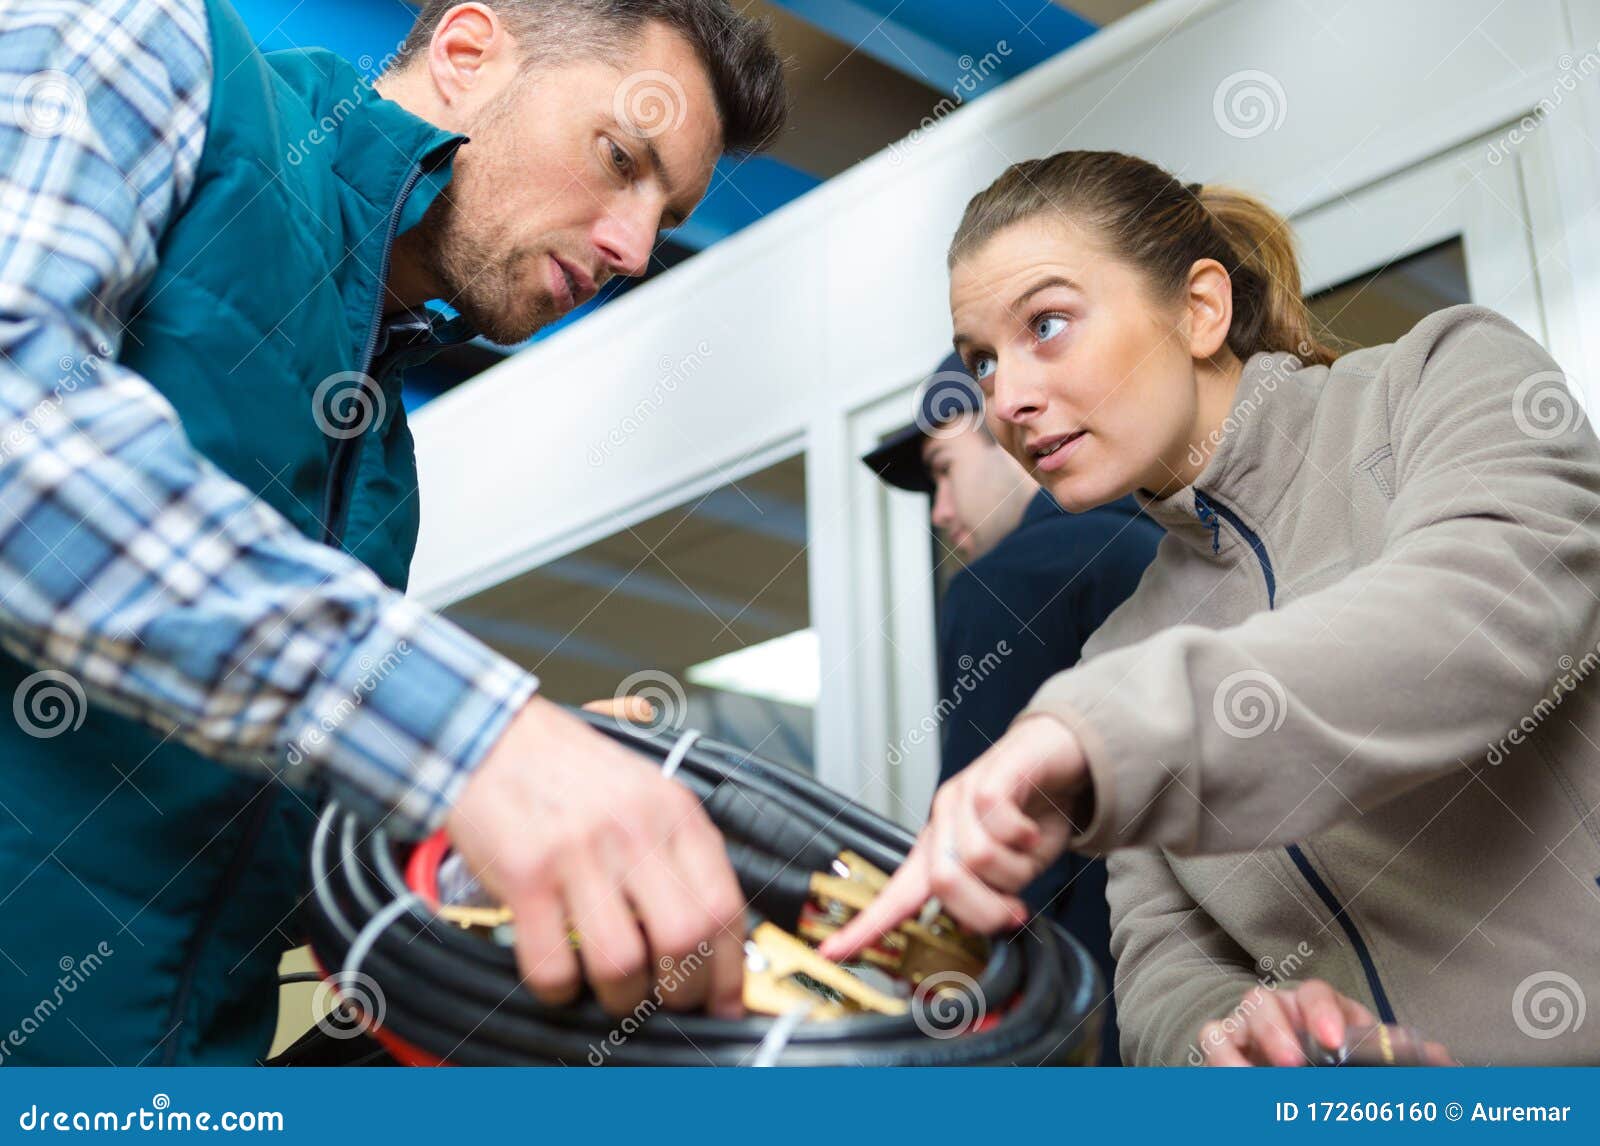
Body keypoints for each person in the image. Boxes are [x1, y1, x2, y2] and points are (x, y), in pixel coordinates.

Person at [0, 0, 786, 1063]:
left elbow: (218, 848)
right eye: (619, 158)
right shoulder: (152, 40)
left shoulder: (380, 467)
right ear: (466, 53)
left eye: (667, 212)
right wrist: (478, 737)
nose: (634, 249)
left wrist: (463, 840)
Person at [825, 150, 1600, 1066]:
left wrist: (1103, 730)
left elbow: (1471, 621)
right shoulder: (1120, 648)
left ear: (1200, 310)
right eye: (983, 362)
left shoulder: (1443, 377)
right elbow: (1160, 956)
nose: (1010, 399)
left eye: (1048, 324)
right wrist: (1224, 1030)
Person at [862, 352, 1161, 1062]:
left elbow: (986, 873)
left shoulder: (1009, 582)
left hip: (1077, 1036)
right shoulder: (1164, 551)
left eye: (944, 470)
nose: (940, 511)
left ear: (1005, 431)